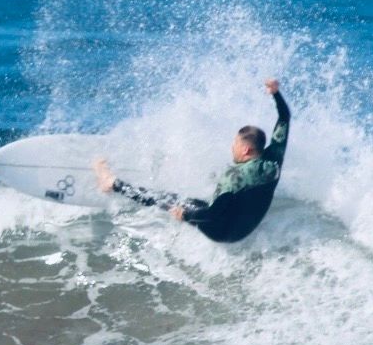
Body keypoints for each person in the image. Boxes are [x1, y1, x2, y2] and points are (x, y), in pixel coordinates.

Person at [93, 79, 290, 244]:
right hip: (244, 230)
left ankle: (112, 183)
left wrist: (185, 215)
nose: (232, 147)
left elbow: (212, 215)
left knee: (166, 199)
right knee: (204, 200)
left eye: (235, 144)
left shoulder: (234, 177)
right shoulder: (274, 160)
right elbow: (284, 117)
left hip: (221, 233)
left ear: (246, 150)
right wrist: (276, 93)